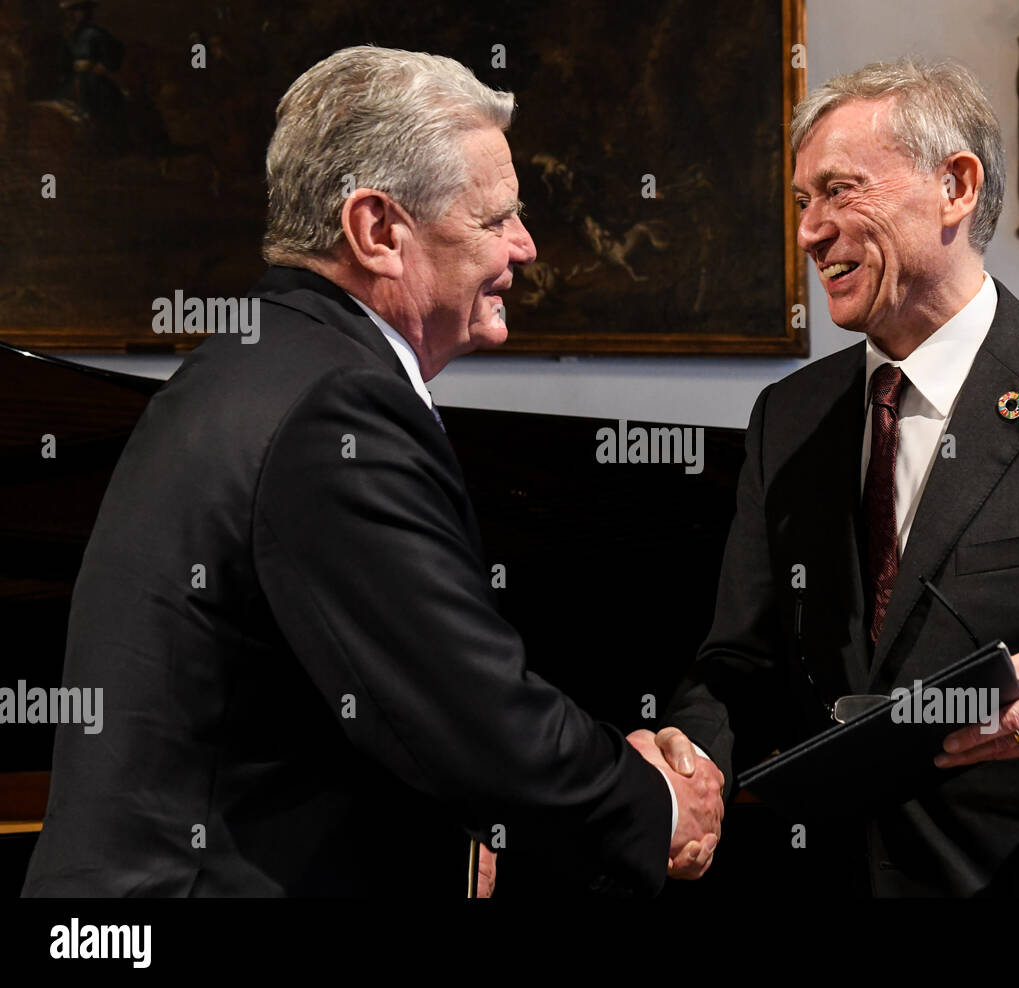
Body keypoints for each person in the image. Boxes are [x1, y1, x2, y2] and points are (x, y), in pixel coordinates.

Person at [23, 46, 722, 898]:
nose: (527, 247)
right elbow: (466, 716)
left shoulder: (249, 360)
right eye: (496, 218)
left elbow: (351, 699)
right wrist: (649, 801)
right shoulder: (339, 404)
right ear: (378, 231)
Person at [654, 58, 1019, 895]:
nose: (808, 232)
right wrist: (688, 760)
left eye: (839, 191)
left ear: (956, 187)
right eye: (801, 203)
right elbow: (735, 664)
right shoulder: (786, 418)